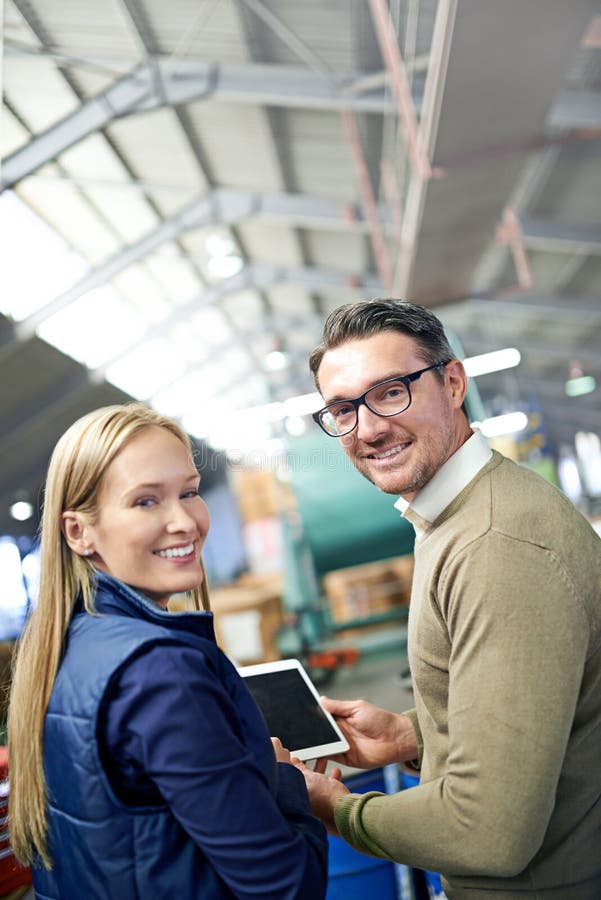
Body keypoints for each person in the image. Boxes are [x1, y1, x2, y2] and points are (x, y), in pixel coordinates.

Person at [297, 298, 601, 898]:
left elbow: (488, 830)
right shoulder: (455, 519)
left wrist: (338, 809)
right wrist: (415, 735)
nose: (369, 428)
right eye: (343, 409)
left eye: (390, 392)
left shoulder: (496, 545)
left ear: (453, 382)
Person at [7, 403, 328, 900]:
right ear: (79, 532)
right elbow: (285, 887)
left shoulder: (67, 645)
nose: (184, 522)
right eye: (146, 502)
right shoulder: (160, 671)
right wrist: (284, 780)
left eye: (189, 493)